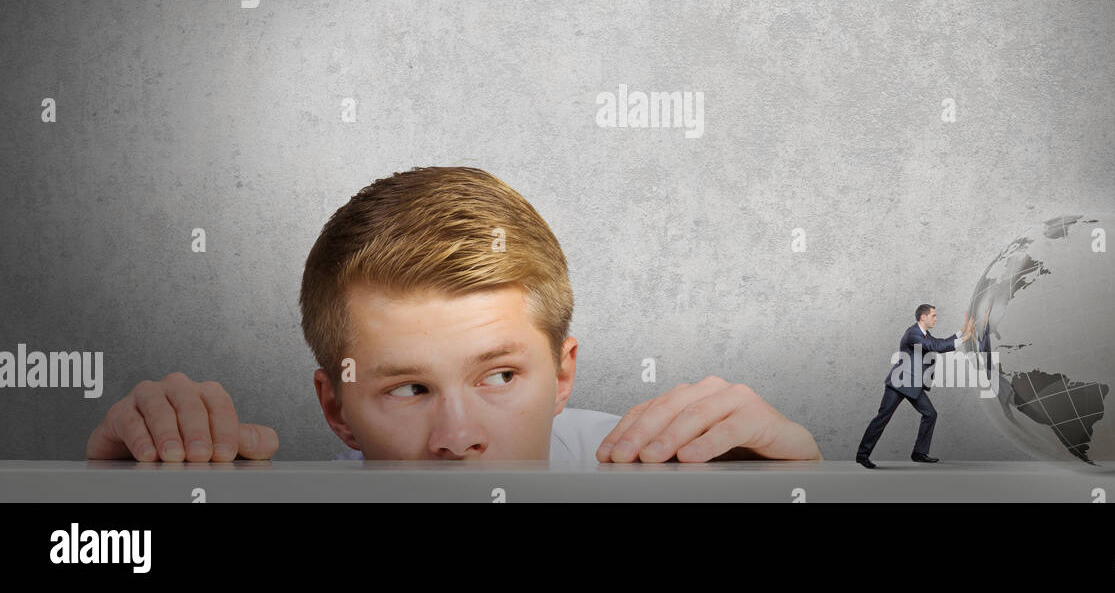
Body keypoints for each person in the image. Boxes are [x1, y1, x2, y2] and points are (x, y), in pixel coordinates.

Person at [86, 166, 821, 464]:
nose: (458, 438)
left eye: (501, 375)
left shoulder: (666, 479)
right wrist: (99, 514)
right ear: (336, 410)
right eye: (408, 388)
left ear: (563, 377)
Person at [854, 304, 973, 468]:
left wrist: (962, 331)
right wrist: (965, 338)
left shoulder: (924, 333)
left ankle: (919, 453)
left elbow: (939, 342)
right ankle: (862, 455)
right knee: (882, 418)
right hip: (899, 383)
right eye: (934, 316)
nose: (936, 319)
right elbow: (935, 347)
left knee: (930, 414)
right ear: (923, 317)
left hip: (913, 385)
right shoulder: (913, 334)